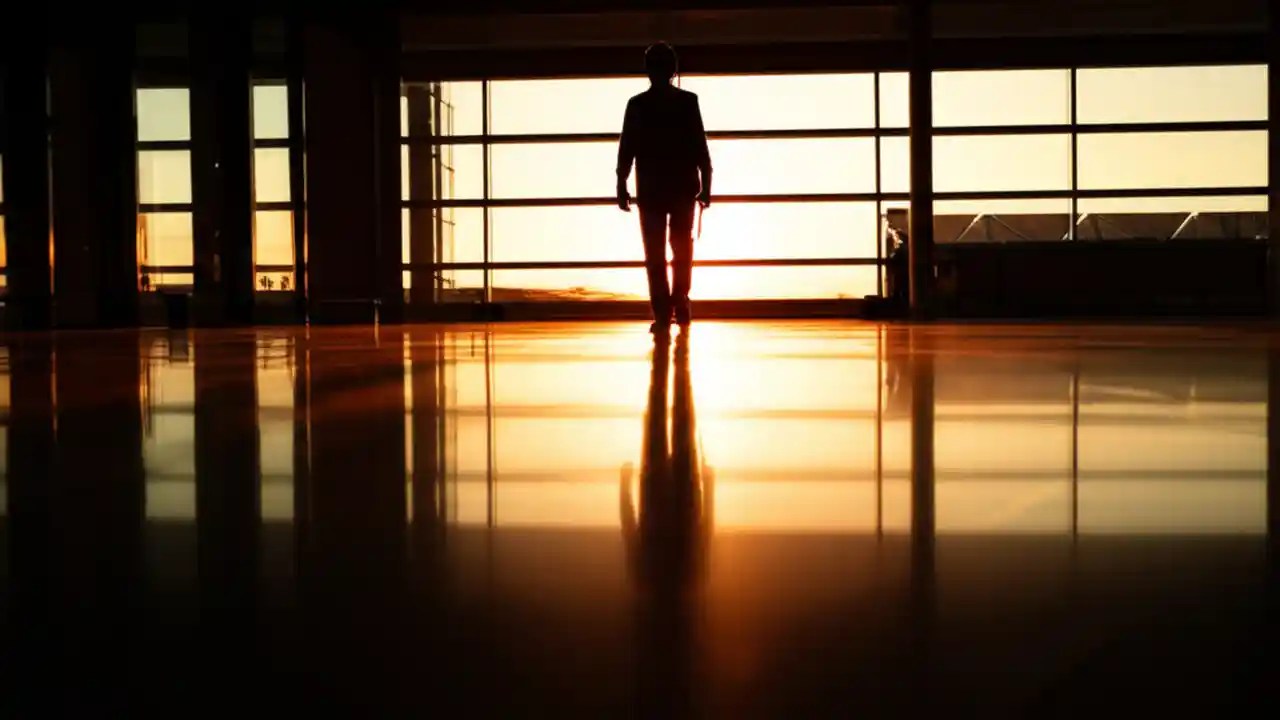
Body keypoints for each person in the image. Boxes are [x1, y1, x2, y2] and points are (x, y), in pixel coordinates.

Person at [616, 43, 713, 333]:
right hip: (681, 187)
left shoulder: (638, 105)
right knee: (681, 248)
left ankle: (663, 312)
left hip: (652, 189)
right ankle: (679, 301)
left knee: (656, 253)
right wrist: (706, 184)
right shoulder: (687, 102)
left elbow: (627, 147)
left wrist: (621, 182)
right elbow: (699, 145)